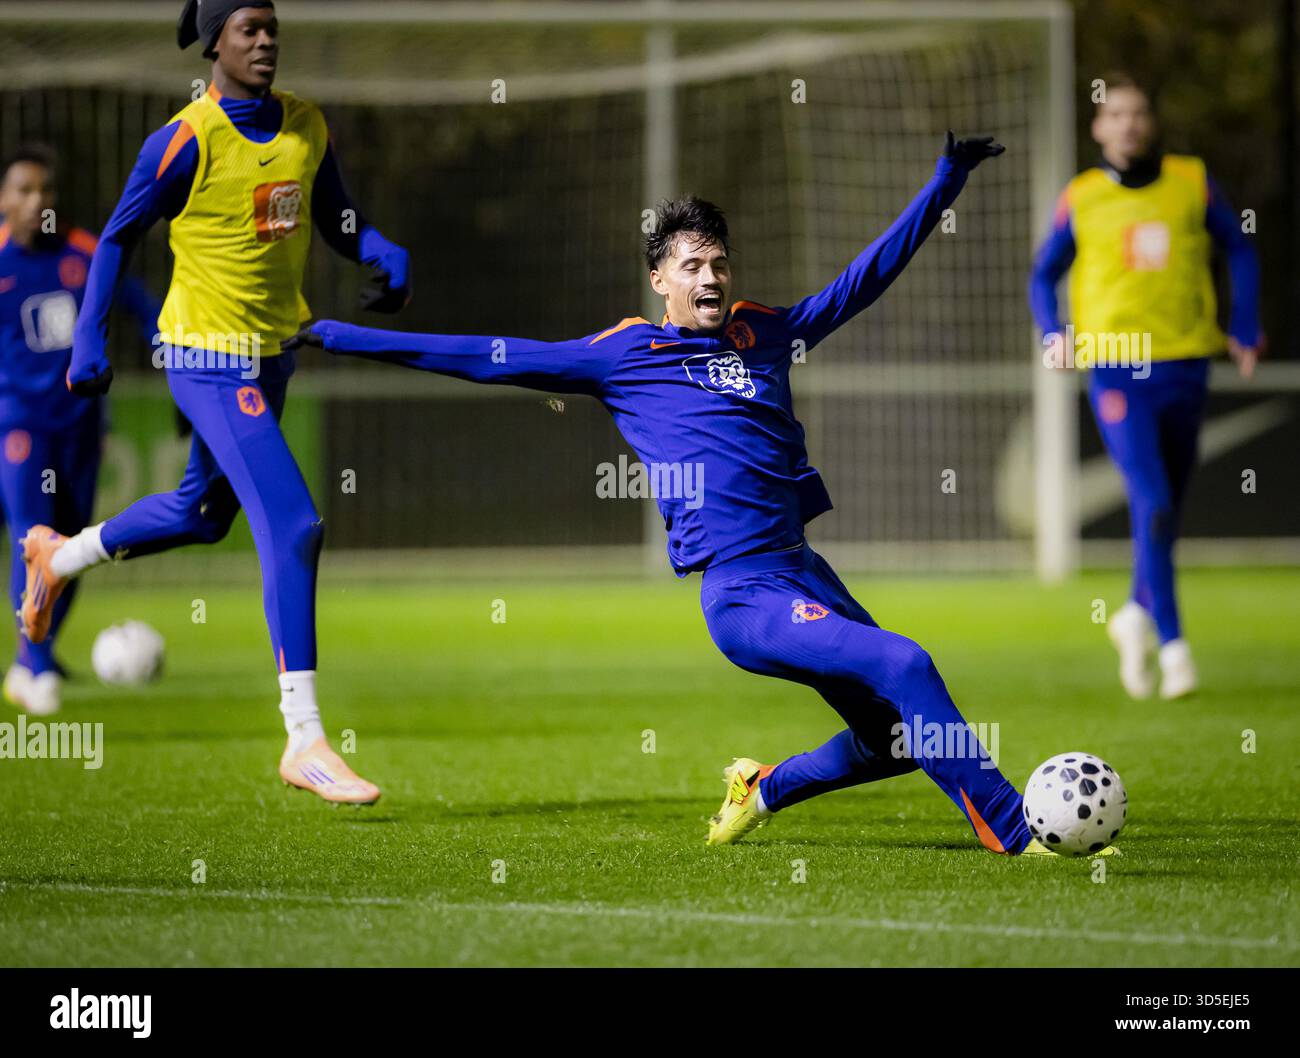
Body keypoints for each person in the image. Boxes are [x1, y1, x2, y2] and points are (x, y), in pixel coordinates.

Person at [288, 132, 1082, 855]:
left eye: (719, 262)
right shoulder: (625, 355)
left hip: (805, 571)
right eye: (693, 266)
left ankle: (762, 788)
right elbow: (489, 356)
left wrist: (946, 178)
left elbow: (861, 282)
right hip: (742, 592)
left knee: (899, 742)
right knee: (908, 663)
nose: (711, 277)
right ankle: (1020, 833)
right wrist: (341, 336)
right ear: (660, 277)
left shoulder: (764, 332)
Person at [22, 1, 411, 803]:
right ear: (216, 44)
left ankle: (56, 557)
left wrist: (375, 245)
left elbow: (334, 215)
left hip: (272, 358)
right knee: (297, 522)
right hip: (203, 357)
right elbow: (121, 237)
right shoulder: (183, 138)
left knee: (202, 514)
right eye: (248, 29)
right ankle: (303, 735)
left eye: (272, 26)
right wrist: (92, 337)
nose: (266, 40)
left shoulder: (306, 124)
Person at [1029, 73, 1263, 700]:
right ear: (1098, 127)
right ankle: (1175, 645)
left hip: (1186, 364)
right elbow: (1042, 274)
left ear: (1150, 122)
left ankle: (1133, 615)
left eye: (1138, 113)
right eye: (1116, 115)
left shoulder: (1191, 180)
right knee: (1153, 500)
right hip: (1113, 368)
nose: (1128, 124)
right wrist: (1055, 332)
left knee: (1167, 510)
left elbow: (1239, 248)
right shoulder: (1082, 195)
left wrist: (1243, 324)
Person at [0, 145, 160, 715]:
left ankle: (28, 657)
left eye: (44, 190)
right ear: (3, 198)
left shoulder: (85, 252)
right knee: (32, 534)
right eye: (23, 189)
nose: (35, 200)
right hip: (21, 426)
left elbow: (144, 307)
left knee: (71, 551)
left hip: (82, 426)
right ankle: (38, 668)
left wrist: (175, 362)